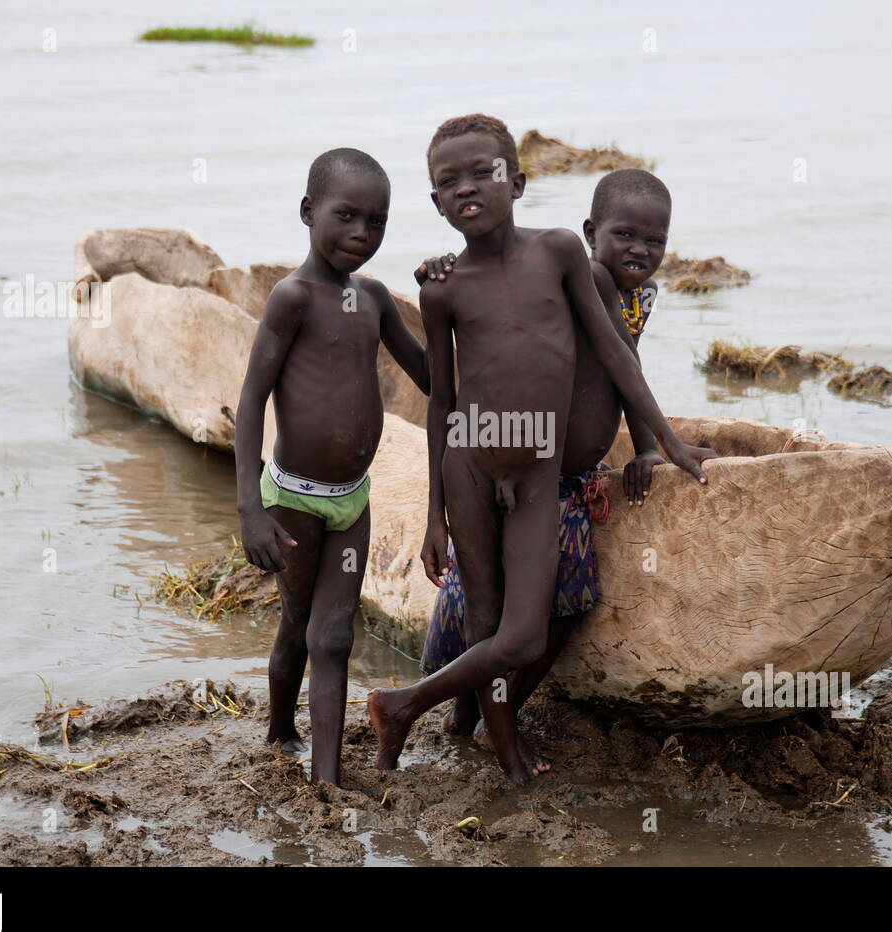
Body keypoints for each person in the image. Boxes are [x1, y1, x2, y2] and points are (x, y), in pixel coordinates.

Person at [368, 115, 714, 785]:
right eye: (449, 182)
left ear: (518, 183)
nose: (468, 188)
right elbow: (442, 400)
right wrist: (435, 514)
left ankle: (403, 705)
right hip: (472, 464)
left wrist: (666, 442)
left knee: (521, 638)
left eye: (484, 173)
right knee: (484, 627)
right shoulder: (440, 287)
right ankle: (507, 756)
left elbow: (617, 351)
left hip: (539, 471)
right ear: (435, 202)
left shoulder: (558, 253)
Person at [414, 169, 677, 772]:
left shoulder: (635, 294)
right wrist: (442, 268)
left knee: (525, 612)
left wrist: (647, 450)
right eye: (625, 235)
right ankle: (474, 720)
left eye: (654, 242)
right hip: (534, 474)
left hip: (559, 475)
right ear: (590, 233)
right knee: (528, 612)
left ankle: (468, 718)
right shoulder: (584, 276)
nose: (639, 250)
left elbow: (624, 369)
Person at [234, 148, 430, 786]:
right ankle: (279, 730)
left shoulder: (373, 299)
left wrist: (449, 303)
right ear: (307, 212)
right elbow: (251, 398)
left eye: (377, 223)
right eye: (346, 216)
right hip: (291, 499)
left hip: (351, 499)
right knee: (298, 624)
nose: (361, 235)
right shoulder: (291, 298)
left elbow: (430, 377)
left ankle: (326, 778)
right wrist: (250, 509)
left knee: (335, 635)